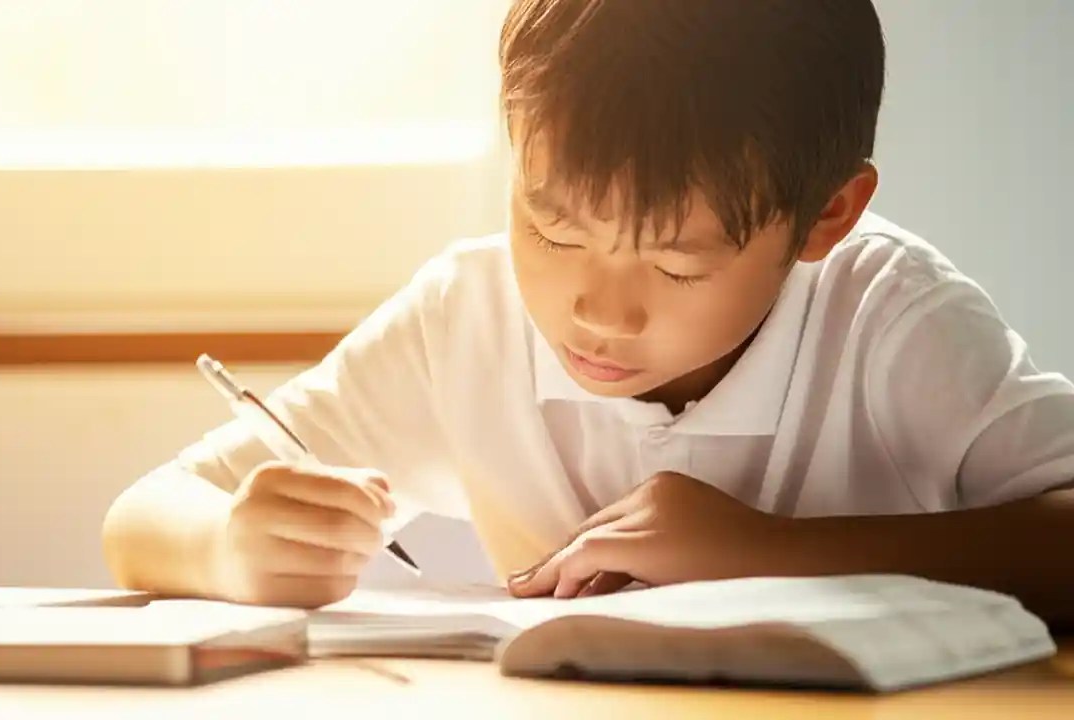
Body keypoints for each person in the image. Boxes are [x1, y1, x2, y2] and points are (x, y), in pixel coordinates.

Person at [102, 0, 1074, 626]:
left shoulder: (888, 319)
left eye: (676, 265)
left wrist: (762, 555)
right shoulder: (466, 321)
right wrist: (229, 547)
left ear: (826, 215)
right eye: (553, 229)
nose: (598, 313)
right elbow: (144, 515)